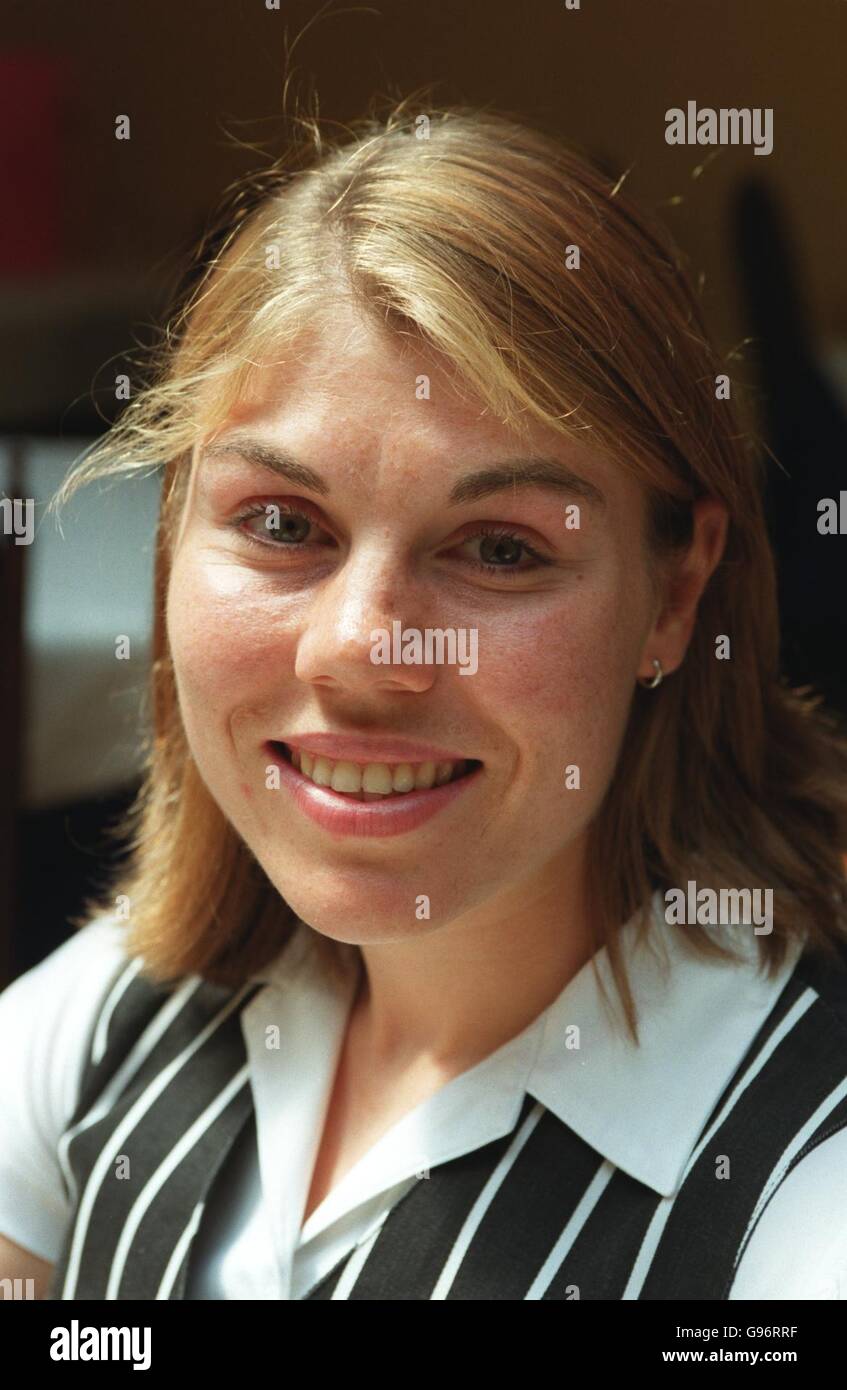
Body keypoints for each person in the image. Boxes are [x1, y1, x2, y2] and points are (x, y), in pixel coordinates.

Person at [3, 97, 847, 1302]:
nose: (361, 649)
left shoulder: (800, 1185)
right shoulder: (117, 1009)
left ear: (674, 597)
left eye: (499, 548)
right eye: (284, 525)